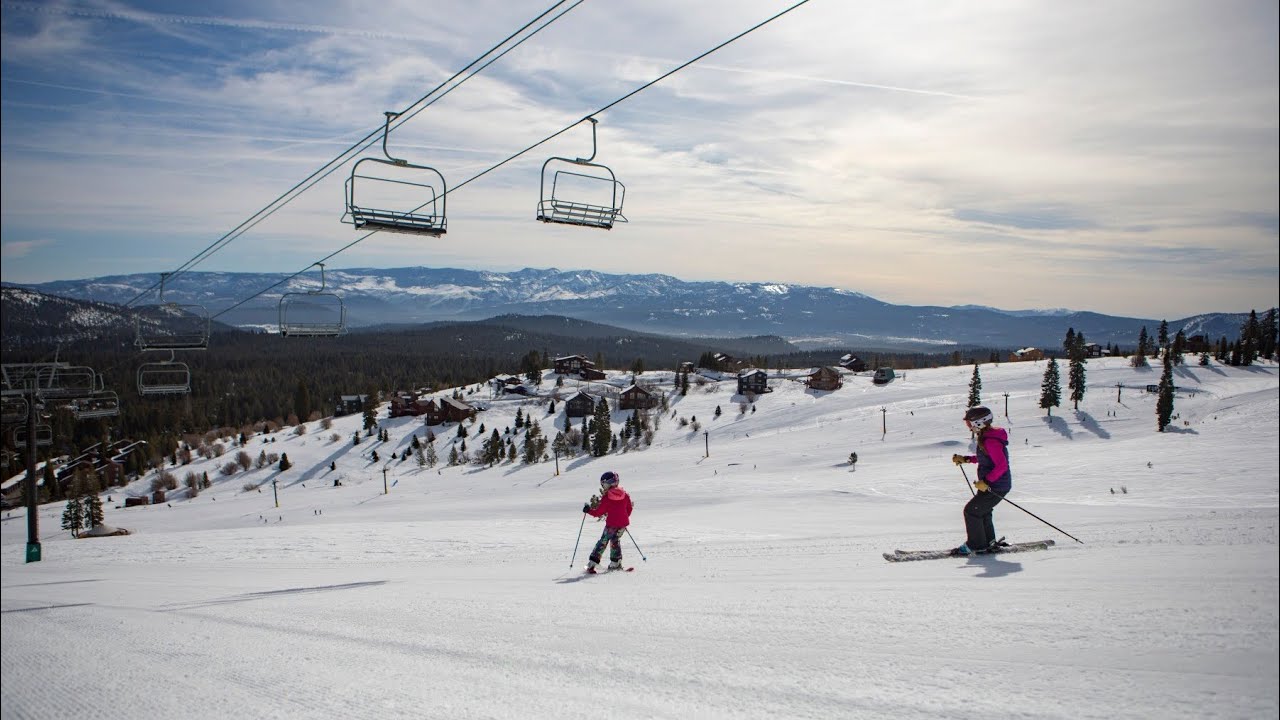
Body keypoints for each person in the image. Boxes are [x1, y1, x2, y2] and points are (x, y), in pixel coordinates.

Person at [950, 406, 1012, 556]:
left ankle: (976, 545)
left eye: (970, 423)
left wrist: (986, 481)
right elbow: (986, 458)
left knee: (971, 511)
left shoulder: (990, 440)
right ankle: (988, 542)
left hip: (995, 485)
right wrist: (966, 459)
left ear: (979, 422)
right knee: (982, 511)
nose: (968, 427)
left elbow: (1001, 465)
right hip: (993, 484)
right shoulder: (987, 438)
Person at [582, 471, 633, 573]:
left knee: (603, 541)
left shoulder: (607, 497)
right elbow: (629, 509)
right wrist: (622, 518)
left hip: (611, 526)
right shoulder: (625, 495)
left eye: (604, 484)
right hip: (622, 525)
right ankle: (615, 563)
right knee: (615, 541)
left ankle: (592, 563)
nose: (603, 487)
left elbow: (598, 513)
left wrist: (588, 510)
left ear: (609, 483)